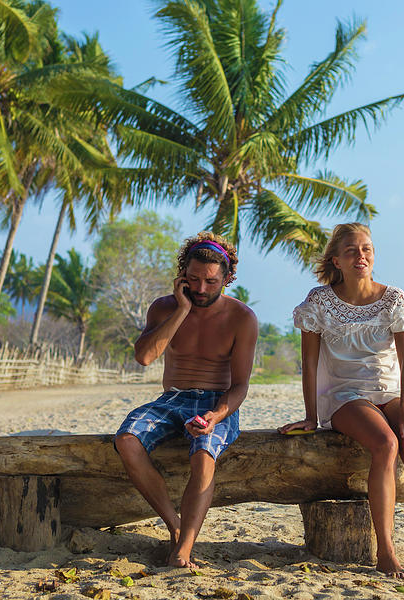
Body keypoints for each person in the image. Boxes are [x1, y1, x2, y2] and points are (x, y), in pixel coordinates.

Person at [278, 223, 404, 579]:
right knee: (386, 444)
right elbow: (309, 363)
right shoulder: (319, 301)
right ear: (336, 260)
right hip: (345, 395)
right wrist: (311, 416)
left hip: (392, 391)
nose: (361, 256)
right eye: (352, 250)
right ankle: (385, 552)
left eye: (367, 249)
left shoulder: (394, 298)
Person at [114, 232, 258, 569]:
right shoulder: (164, 307)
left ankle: (183, 550)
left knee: (204, 456)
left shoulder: (242, 318)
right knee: (126, 441)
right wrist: (181, 310)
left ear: (227, 278)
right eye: (193, 279)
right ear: (182, 274)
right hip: (172, 398)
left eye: (211, 281)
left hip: (216, 401)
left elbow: (240, 385)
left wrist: (215, 416)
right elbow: (145, 357)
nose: (201, 288)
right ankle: (175, 525)